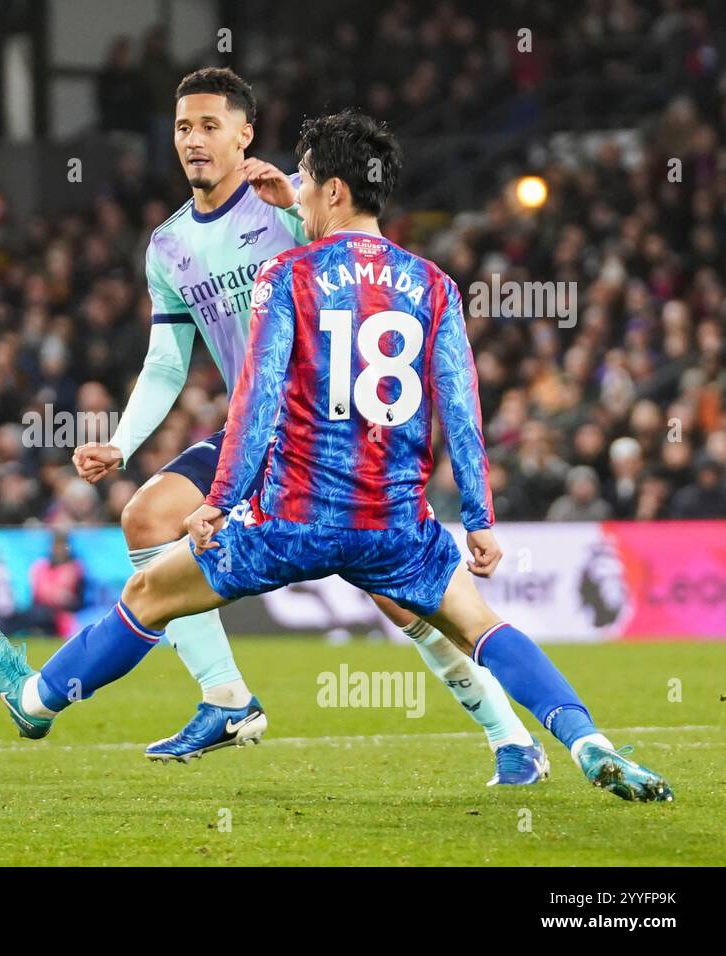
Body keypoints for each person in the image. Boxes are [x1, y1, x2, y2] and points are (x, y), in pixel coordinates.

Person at [0, 110, 672, 803]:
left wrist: (218, 502)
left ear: (335, 191)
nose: (297, 194)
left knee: (147, 593)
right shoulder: (433, 285)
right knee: (483, 626)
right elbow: (462, 411)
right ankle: (589, 744)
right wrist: (481, 518)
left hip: (290, 517)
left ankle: (38, 701)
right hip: (393, 523)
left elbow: (254, 404)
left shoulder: (288, 275)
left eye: (305, 180)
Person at [58, 67, 541, 784]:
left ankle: (510, 737)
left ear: (244, 133)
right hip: (254, 432)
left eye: (210, 125)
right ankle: (225, 697)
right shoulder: (168, 247)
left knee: (402, 602)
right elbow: (166, 362)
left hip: (333, 433)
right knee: (147, 516)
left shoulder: (290, 208)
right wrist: (122, 444)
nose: (194, 140)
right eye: (183, 127)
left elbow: (375, 259)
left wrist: (292, 194)